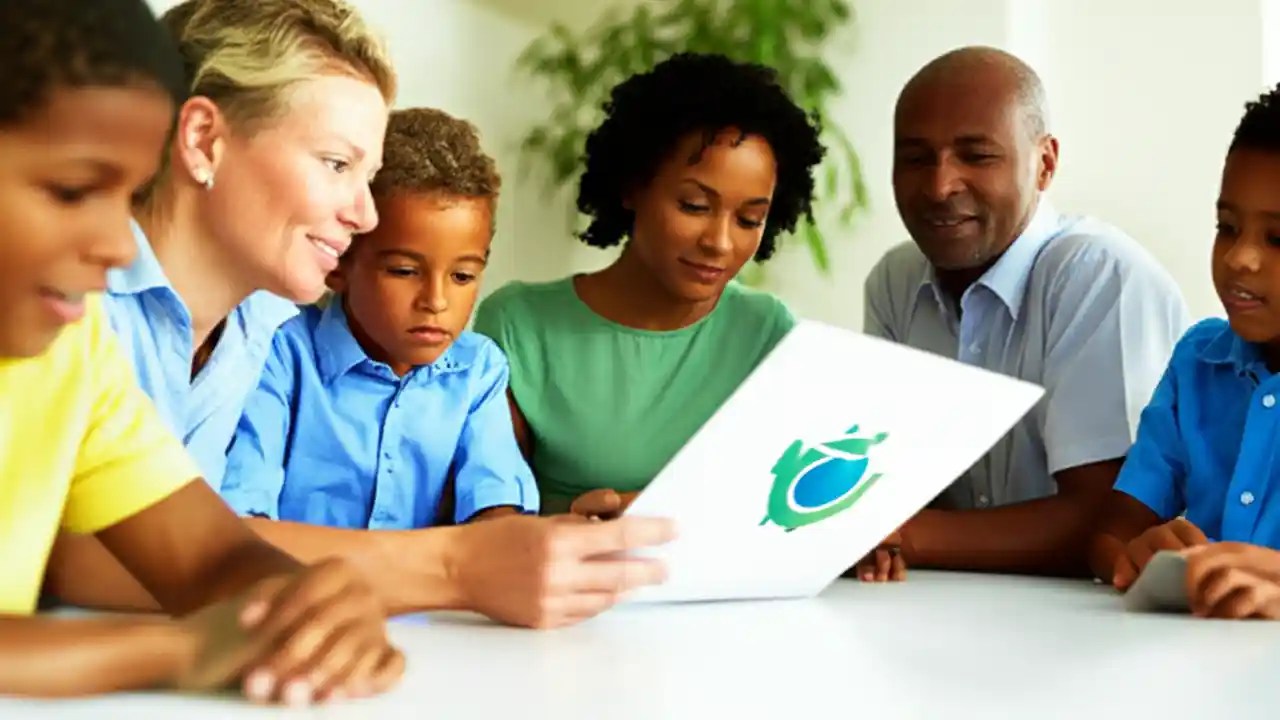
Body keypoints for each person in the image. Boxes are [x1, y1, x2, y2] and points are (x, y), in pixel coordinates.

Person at [44, 0, 676, 630]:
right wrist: (453, 565)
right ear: (204, 140)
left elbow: (188, 538)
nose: (364, 215)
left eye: (367, 176)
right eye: (337, 165)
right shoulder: (58, 297)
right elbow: (89, 553)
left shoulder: (260, 325)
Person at [0, 0, 400, 702]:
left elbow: (209, 551)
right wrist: (176, 649)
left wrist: (304, 608)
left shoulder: (73, 350)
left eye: (122, 193)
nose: (122, 246)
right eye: (71, 191)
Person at [858, 46, 1190, 581]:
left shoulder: (1096, 274)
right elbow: (886, 480)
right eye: (916, 158)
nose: (941, 186)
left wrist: (898, 535)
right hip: (946, 608)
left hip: (1098, 627)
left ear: (1046, 163)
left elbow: (1108, 518)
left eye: (977, 155)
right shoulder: (895, 283)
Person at [473, 52, 825, 517]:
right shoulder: (520, 325)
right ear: (632, 185)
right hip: (574, 579)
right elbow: (488, 511)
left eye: (748, 218)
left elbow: (784, 500)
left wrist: (644, 510)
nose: (720, 243)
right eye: (695, 205)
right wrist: (575, 521)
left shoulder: (767, 330)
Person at [219, 108, 537, 548]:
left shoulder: (478, 370)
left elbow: (495, 504)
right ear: (338, 264)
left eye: (462, 276)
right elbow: (244, 510)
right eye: (404, 271)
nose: (436, 301)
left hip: (425, 606)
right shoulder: (282, 352)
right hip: (293, 589)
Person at [1089, 86, 1280, 619]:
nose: (1240, 258)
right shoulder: (1198, 361)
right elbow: (1111, 534)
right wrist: (1139, 555)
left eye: (1278, 239)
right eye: (1227, 228)